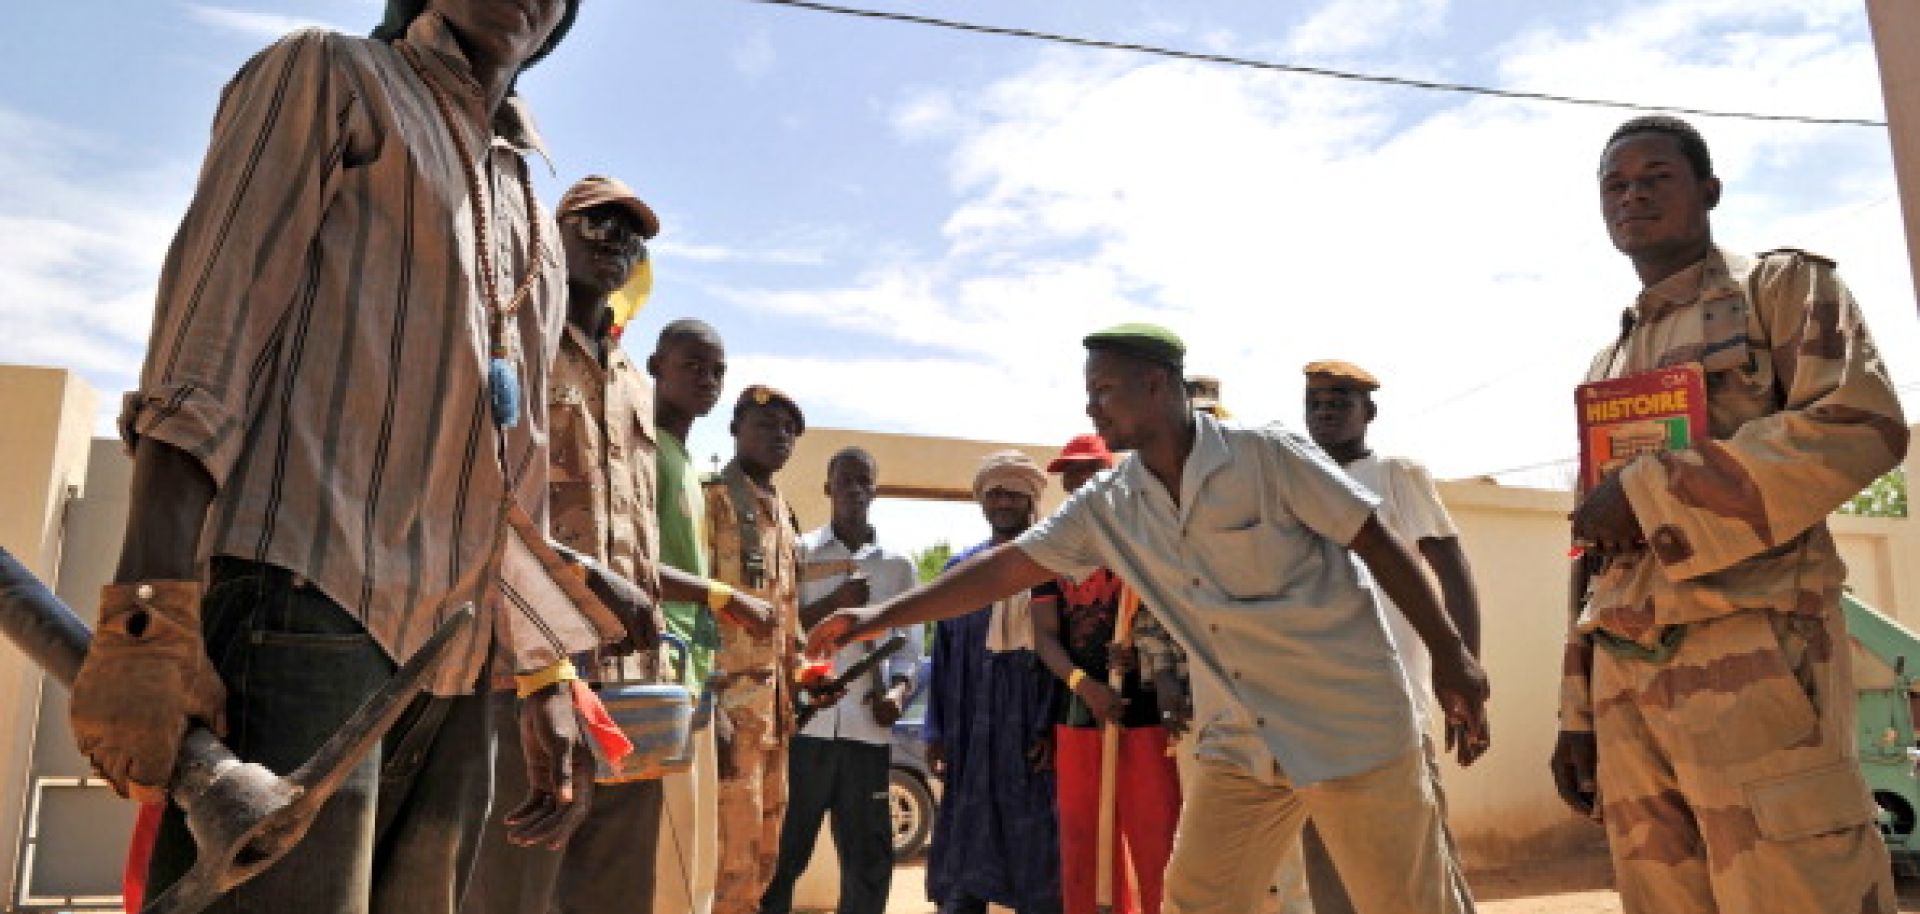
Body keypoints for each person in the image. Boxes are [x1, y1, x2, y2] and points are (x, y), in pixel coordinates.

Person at [74, 4, 626, 914]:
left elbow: (514, 477)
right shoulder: (330, 77)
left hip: (454, 669)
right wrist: (146, 615)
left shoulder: (529, 193)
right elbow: (200, 351)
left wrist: (547, 668)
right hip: (307, 614)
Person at [810, 324, 1488, 914]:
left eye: (1104, 389)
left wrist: (1453, 656)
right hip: (1241, 742)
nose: (1090, 405)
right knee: (1197, 901)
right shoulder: (1110, 502)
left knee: (1409, 905)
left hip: (1348, 726)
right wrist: (880, 615)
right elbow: (1010, 568)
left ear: (1159, 386)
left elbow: (1375, 538)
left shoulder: (1268, 455)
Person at [1555, 115, 1907, 914]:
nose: (1632, 194)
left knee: (1798, 894)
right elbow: (1591, 544)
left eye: (1656, 177)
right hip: (1627, 686)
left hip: (1755, 654)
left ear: (1708, 191)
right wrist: (1576, 709)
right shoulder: (1608, 363)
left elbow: (1859, 421)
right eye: (1615, 184)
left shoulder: (1779, 290)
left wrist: (1651, 492)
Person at [464, 177, 776, 914]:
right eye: (597, 227)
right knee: (515, 888)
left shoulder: (636, 386)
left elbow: (636, 555)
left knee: (616, 891)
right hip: (530, 677)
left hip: (632, 689)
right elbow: (485, 505)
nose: (617, 245)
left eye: (631, 238)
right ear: (552, 235)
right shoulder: (513, 347)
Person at [1299, 359, 1483, 914]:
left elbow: (1452, 569)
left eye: (1340, 403)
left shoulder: (1394, 474)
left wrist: (1466, 674)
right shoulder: (1296, 481)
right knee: (1328, 856)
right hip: (1313, 704)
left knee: (1421, 857)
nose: (1325, 413)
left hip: (1393, 697)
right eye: (1316, 404)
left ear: (1369, 413)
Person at [761, 447, 923, 914]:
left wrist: (896, 692)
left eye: (863, 481)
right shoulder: (799, 552)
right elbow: (781, 630)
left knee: (868, 859)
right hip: (806, 731)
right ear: (828, 488)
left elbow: (910, 646)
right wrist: (838, 598)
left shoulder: (897, 565)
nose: (854, 489)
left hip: (867, 737)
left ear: (875, 490)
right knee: (784, 855)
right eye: (845, 480)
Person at [1031, 434, 1181, 914]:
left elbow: (1172, 619)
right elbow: (1045, 637)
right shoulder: (1049, 552)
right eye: (1071, 478)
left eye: (1089, 475)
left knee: (1156, 834)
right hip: (1079, 708)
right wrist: (1084, 685)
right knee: (1083, 841)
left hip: (1144, 708)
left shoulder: (1144, 540)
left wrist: (1139, 652)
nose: (1079, 486)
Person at [704, 385, 831, 914]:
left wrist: (805, 676)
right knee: (721, 857)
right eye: (765, 424)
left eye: (788, 430)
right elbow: (688, 603)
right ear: (734, 430)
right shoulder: (712, 496)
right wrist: (709, 704)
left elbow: (786, 618)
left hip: (774, 718)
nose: (779, 436)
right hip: (728, 713)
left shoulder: (783, 514)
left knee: (761, 856)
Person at [922, 451, 1064, 914]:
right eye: (994, 492)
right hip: (968, 738)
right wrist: (936, 731)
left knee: (1037, 862)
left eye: (1012, 492)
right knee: (965, 857)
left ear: (1031, 499)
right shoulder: (960, 572)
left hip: (1029, 740)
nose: (1001, 500)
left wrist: (1052, 729)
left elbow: (1070, 654)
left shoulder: (1054, 569)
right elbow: (940, 657)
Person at [648, 317, 757, 914]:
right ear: (654, 366)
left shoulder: (687, 463)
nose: (707, 381)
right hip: (654, 677)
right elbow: (632, 565)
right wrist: (725, 595)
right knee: (665, 861)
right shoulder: (641, 448)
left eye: (717, 371)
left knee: (693, 857)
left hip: (692, 680)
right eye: (692, 366)